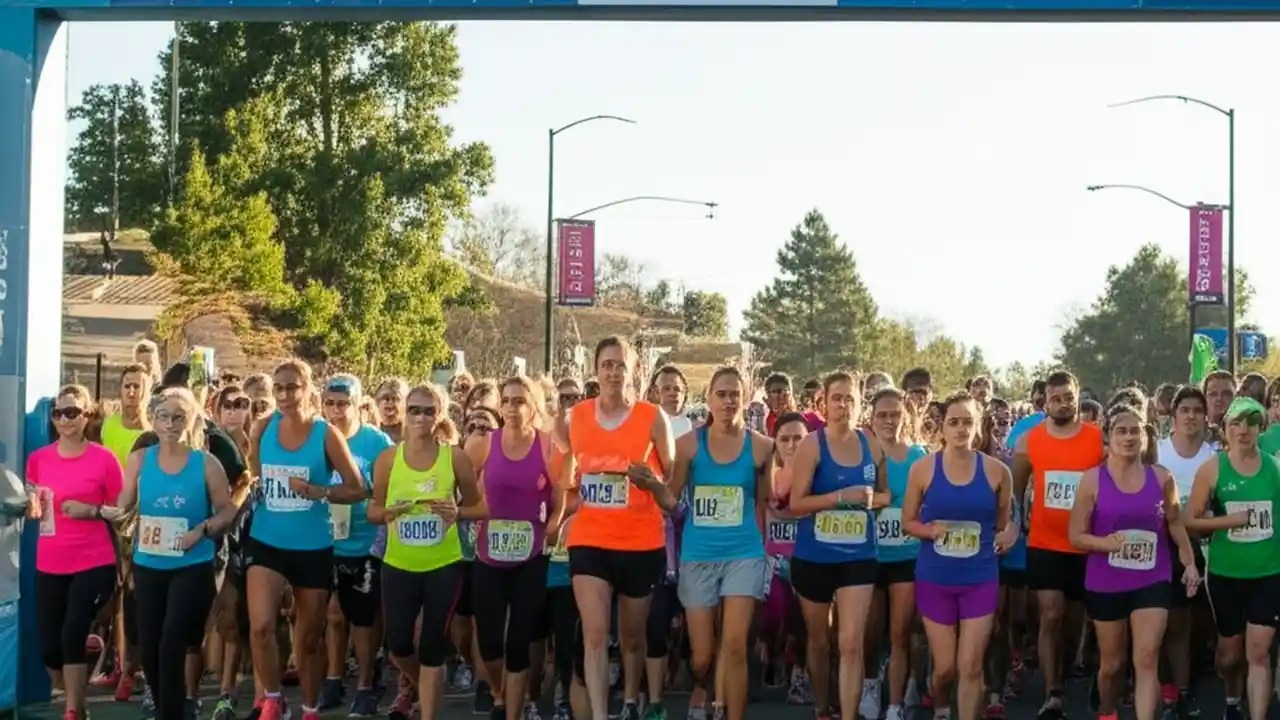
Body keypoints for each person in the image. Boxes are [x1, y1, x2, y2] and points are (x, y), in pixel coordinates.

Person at [556, 336, 674, 720]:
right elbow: (563, 471)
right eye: (606, 364)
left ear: (633, 371)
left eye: (621, 365)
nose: (613, 371)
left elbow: (669, 479)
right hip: (590, 538)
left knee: (632, 637)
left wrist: (650, 481)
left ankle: (627, 701)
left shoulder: (652, 416)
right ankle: (599, 714)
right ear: (596, 369)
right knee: (593, 634)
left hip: (641, 540)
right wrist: (563, 506)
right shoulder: (576, 417)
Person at [105, 388, 240, 720]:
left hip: (192, 566)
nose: (170, 424)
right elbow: (124, 505)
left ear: (191, 420)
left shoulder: (206, 464)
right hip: (149, 563)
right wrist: (98, 510)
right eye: (164, 416)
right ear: (153, 419)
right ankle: (171, 709)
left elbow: (227, 512)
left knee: (171, 642)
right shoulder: (140, 460)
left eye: (179, 416)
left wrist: (202, 530)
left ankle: (171, 713)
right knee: (149, 648)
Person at [244, 360, 367, 720]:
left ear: (307, 388)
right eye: (278, 388)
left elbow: (358, 488)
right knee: (262, 626)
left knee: (309, 639)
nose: (284, 395)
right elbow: (256, 472)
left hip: (312, 545)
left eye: (292, 387)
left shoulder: (325, 433)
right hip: (267, 539)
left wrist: (317, 491)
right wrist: (253, 448)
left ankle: (310, 708)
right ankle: (272, 697)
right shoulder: (264, 427)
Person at [1069, 402, 1198, 720]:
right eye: (1121, 431)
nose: (1128, 438)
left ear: (1145, 436)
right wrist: (1105, 544)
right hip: (1106, 581)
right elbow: (1075, 535)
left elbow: (1175, 522)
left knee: (1147, 657)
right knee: (1112, 665)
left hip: (1152, 577)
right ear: (1108, 438)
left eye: (1134, 431)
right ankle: (1108, 711)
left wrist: (1189, 561)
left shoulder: (1161, 477)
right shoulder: (1092, 481)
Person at [661, 366, 772, 720]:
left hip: (744, 553)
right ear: (708, 399)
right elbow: (672, 498)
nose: (728, 401)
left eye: (734, 394)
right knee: (703, 656)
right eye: (721, 394)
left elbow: (766, 503)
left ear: (744, 398)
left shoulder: (761, 447)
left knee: (736, 645)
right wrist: (651, 486)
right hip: (699, 554)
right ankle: (704, 692)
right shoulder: (689, 444)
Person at [369, 382, 485, 720]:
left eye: (428, 410)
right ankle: (425, 684)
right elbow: (373, 511)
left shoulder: (456, 458)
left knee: (434, 644)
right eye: (414, 410)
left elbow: (479, 509)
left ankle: (430, 711)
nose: (420, 417)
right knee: (398, 644)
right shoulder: (389, 459)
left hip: (443, 564)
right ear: (405, 413)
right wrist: (389, 514)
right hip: (399, 563)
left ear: (440, 415)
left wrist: (457, 513)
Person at [903, 391, 1016, 720]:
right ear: (943, 428)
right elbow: (907, 522)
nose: (961, 429)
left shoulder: (997, 472)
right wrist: (929, 531)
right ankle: (939, 706)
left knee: (970, 666)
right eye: (954, 422)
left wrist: (1009, 533)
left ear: (978, 426)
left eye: (968, 422)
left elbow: (1003, 522)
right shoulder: (923, 469)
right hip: (935, 577)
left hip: (979, 577)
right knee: (946, 668)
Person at [789, 371, 888, 720]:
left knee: (849, 643)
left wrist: (872, 499)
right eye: (837, 398)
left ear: (859, 403)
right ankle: (821, 707)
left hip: (858, 554)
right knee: (819, 641)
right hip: (815, 555)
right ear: (824, 404)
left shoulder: (870, 443)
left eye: (849, 398)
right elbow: (796, 504)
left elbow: (886, 495)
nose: (843, 404)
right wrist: (839, 498)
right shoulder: (812, 445)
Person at [466, 376, 561, 720]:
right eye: (505, 401)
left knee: (518, 642)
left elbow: (562, 495)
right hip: (489, 556)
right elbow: (459, 484)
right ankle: (497, 692)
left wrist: (554, 523)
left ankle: (513, 712)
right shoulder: (483, 444)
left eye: (519, 401)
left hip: (531, 558)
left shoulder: (548, 446)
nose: (511, 407)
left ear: (534, 406)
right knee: (490, 642)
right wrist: (469, 509)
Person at [26, 385, 123, 720]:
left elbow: (122, 510)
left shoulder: (104, 458)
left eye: (72, 412)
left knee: (73, 632)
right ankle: (77, 704)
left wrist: (92, 510)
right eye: (58, 413)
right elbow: (33, 501)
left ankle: (70, 712)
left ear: (87, 415)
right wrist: (30, 506)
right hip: (50, 561)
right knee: (50, 646)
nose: (64, 420)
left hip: (94, 560)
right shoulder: (38, 459)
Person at [1012, 370, 1105, 720]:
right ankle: (1053, 694)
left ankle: (1064, 672)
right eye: (1056, 398)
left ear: (1078, 396)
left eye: (1069, 396)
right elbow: (1017, 488)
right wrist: (1015, 524)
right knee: (1050, 613)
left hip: (1085, 544)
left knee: (1073, 623)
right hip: (1045, 542)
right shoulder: (1029, 441)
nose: (1064, 403)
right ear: (1045, 402)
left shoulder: (1097, 440)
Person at [1186, 397, 1280, 720]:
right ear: (1225, 429)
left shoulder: (1275, 468)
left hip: (1268, 572)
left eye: (1251, 423)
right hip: (1226, 573)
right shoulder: (1213, 468)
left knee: (1259, 652)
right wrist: (1228, 521)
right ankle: (1231, 700)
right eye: (1236, 423)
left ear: (1260, 428)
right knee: (1229, 656)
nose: (1244, 430)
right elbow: (1191, 520)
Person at [317, 375, 395, 715]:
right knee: (332, 614)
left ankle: (366, 682)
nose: (336, 411)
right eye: (330, 403)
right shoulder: (318, 437)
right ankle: (334, 678)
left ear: (359, 404)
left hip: (365, 541)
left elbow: (385, 492)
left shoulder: (376, 442)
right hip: (324, 539)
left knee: (363, 618)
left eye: (343, 403)